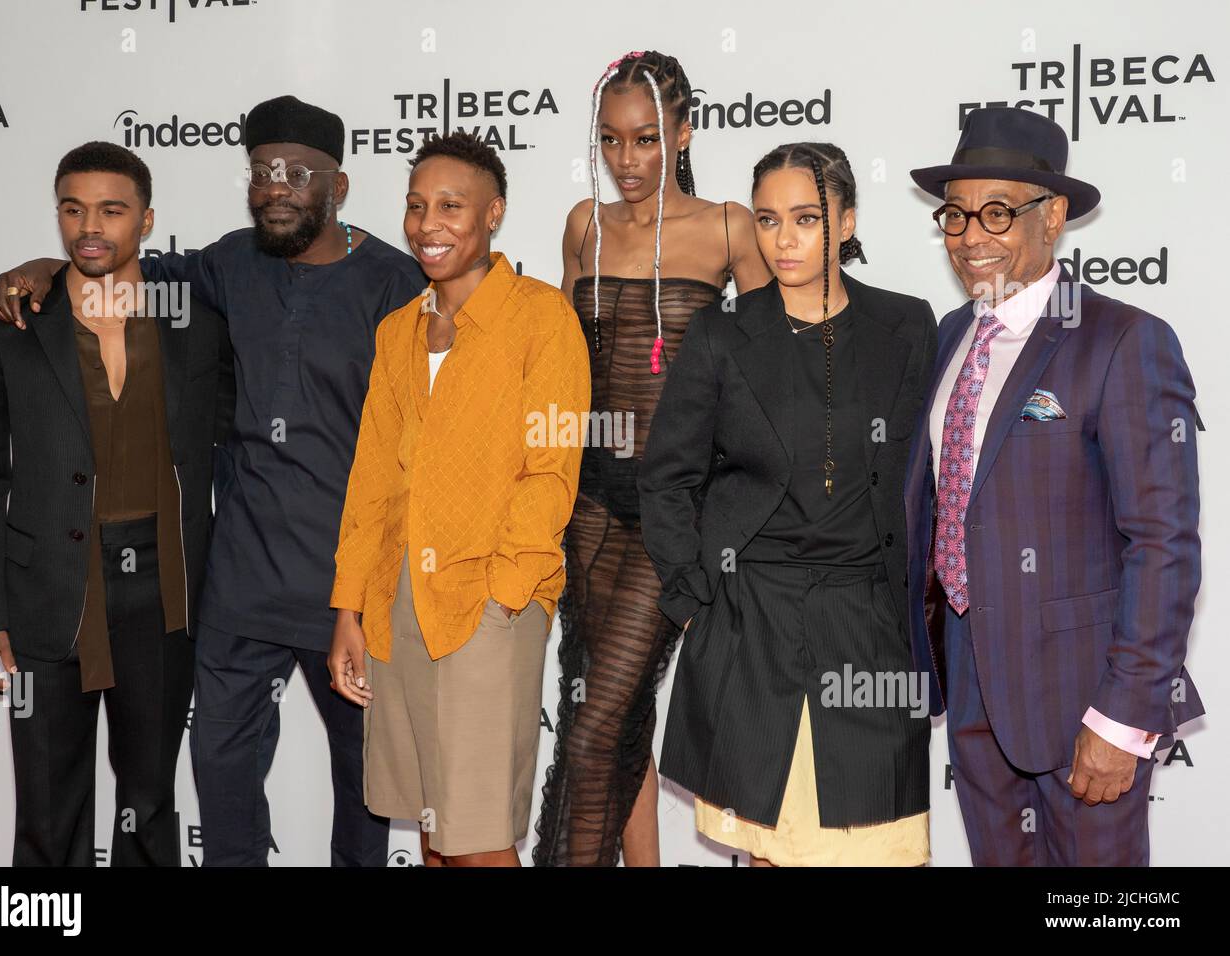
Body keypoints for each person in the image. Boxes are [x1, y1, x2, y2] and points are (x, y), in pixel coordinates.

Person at [0, 95, 426, 866]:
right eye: (261, 172)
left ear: (341, 187)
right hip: (240, 588)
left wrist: (368, 591)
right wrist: (49, 267)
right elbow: (125, 270)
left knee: (366, 785)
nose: (276, 187)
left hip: (352, 592)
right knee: (220, 778)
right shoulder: (230, 262)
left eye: (295, 173)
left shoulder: (394, 284)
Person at [904, 107, 1204, 865]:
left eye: (998, 212)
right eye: (957, 215)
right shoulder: (947, 339)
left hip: (1083, 702)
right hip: (973, 693)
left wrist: (1121, 718)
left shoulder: (1123, 340)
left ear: (1055, 215)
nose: (972, 236)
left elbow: (1163, 545)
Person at [637, 142, 936, 866]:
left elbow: (926, 478)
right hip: (751, 623)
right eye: (768, 220)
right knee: (769, 852)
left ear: (848, 220)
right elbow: (667, 476)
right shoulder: (720, 333)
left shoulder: (908, 326)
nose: (785, 239)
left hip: (867, 622)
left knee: (880, 848)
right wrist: (692, 600)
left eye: (807, 217)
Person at [0, 141, 234, 865]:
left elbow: (231, 450)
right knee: (47, 805)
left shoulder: (197, 325)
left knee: (149, 801)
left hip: (164, 594)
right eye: (73, 209)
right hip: (47, 592)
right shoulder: (7, 324)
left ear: (146, 219)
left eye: (112, 209)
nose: (90, 227)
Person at [533, 49, 769, 867]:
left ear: (683, 132)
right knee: (607, 716)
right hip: (588, 505)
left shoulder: (731, 227)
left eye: (645, 139)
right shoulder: (583, 227)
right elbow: (563, 368)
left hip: (675, 514)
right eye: (610, 141)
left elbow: (776, 363)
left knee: (598, 718)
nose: (627, 161)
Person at [328, 132, 590, 867]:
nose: (427, 224)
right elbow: (371, 478)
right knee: (434, 832)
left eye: (451, 206)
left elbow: (552, 472)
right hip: (396, 601)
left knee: (478, 842)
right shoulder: (397, 333)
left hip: (489, 605)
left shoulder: (543, 319)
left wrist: (503, 596)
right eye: (416, 206)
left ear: (493, 214)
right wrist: (350, 607)